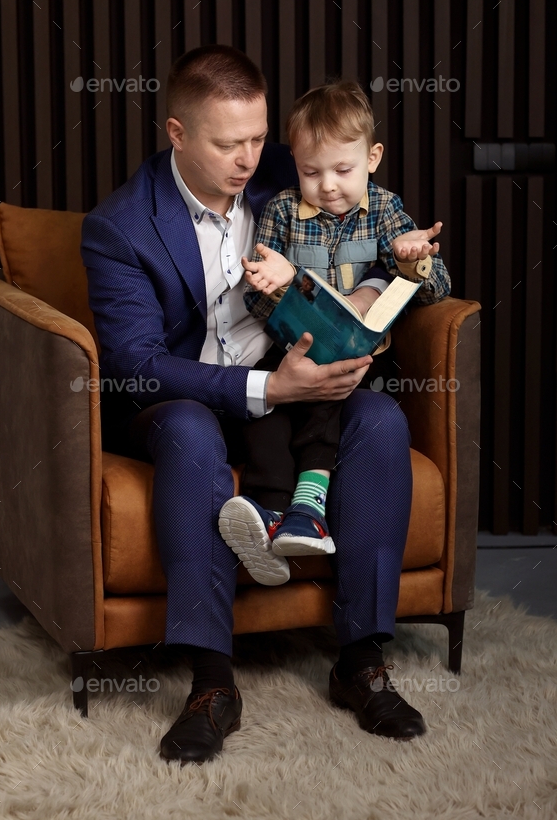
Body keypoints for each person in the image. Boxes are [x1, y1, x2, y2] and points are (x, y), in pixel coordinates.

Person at [81, 44, 438, 766]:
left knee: (379, 418)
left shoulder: (292, 173)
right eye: (227, 144)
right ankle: (213, 683)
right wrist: (270, 388)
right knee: (188, 429)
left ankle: (359, 659)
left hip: (292, 378)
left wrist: (378, 284)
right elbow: (136, 366)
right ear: (177, 134)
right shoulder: (119, 226)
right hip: (190, 397)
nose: (250, 159)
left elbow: (364, 222)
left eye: (257, 137)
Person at [218, 81, 451, 579]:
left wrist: (416, 263)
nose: (327, 185)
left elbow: (439, 288)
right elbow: (257, 300)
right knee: (263, 411)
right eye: (310, 171)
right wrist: (275, 283)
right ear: (295, 165)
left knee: (331, 396)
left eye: (343, 170)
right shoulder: (281, 210)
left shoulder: (386, 211)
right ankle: (271, 513)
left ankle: (308, 508)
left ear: (372, 158)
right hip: (289, 353)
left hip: (357, 357)